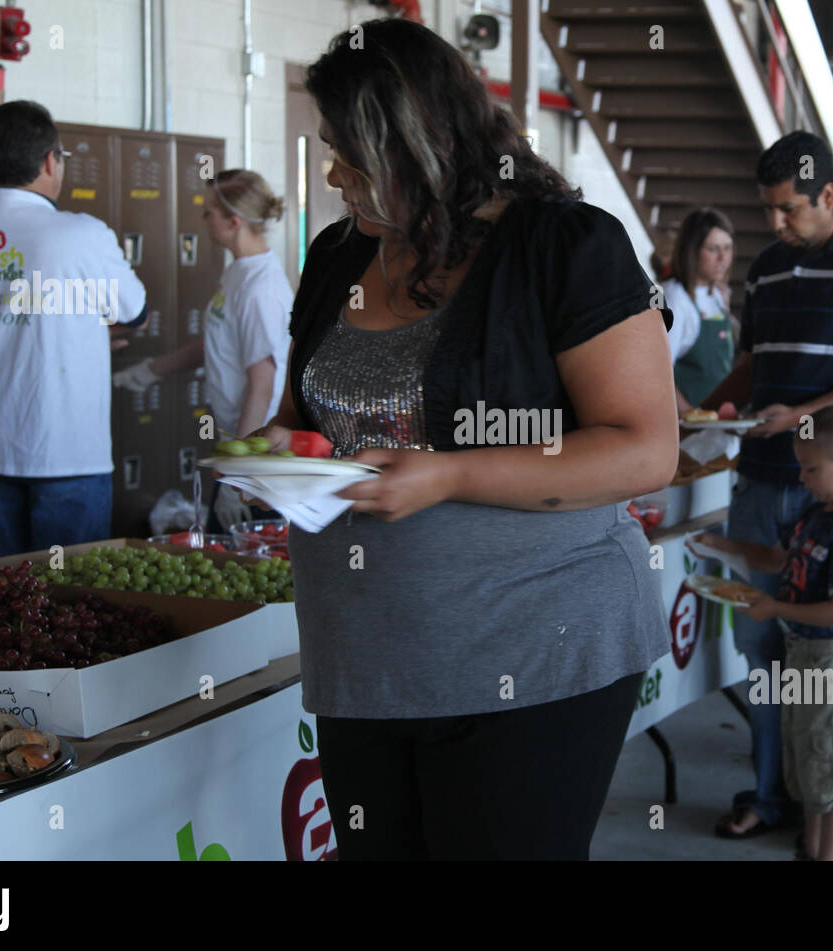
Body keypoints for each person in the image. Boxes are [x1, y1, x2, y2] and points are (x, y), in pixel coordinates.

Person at [253, 18, 678, 860]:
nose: (334, 175)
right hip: (365, 655)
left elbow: (643, 447)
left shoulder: (564, 245)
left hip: (533, 649)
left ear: (423, 148)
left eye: (352, 156)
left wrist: (446, 475)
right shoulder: (342, 252)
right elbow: (307, 419)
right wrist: (270, 451)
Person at [697, 131, 833, 838]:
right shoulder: (766, 268)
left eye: (789, 209)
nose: (776, 225)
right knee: (762, 640)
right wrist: (693, 410)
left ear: (827, 195)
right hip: (761, 478)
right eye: (769, 211)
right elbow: (753, 367)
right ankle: (772, 791)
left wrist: (803, 417)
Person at [0, 101, 147, 560]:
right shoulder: (82, 234)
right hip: (66, 453)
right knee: (69, 601)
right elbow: (136, 314)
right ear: (51, 160)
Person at [694, 406, 833, 861]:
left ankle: (827, 854)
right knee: (808, 759)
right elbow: (776, 560)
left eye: (811, 468)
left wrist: (774, 606)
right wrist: (721, 545)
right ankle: (811, 848)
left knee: (831, 764)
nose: (801, 478)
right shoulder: (815, 515)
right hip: (803, 654)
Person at [113, 168, 293, 533]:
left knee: (246, 569)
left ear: (233, 221)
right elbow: (218, 341)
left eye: (209, 211)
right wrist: (153, 369)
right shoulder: (239, 273)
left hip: (257, 458)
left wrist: (235, 476)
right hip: (237, 447)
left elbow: (262, 384)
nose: (203, 219)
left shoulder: (261, 289)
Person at [662, 207, 737, 411]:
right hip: (692, 436)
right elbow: (658, 371)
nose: (722, 258)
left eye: (727, 248)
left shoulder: (717, 295)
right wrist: (688, 415)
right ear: (691, 250)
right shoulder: (675, 298)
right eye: (713, 249)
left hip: (718, 432)